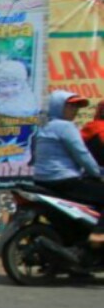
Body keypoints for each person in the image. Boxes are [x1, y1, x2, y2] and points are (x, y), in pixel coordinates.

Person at [31, 91, 104, 251]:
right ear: (59, 106)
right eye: (71, 106)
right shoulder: (66, 127)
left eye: (76, 106)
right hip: (63, 180)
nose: (75, 110)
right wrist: (97, 173)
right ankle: (99, 233)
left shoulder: (44, 126)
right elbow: (82, 155)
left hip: (41, 180)